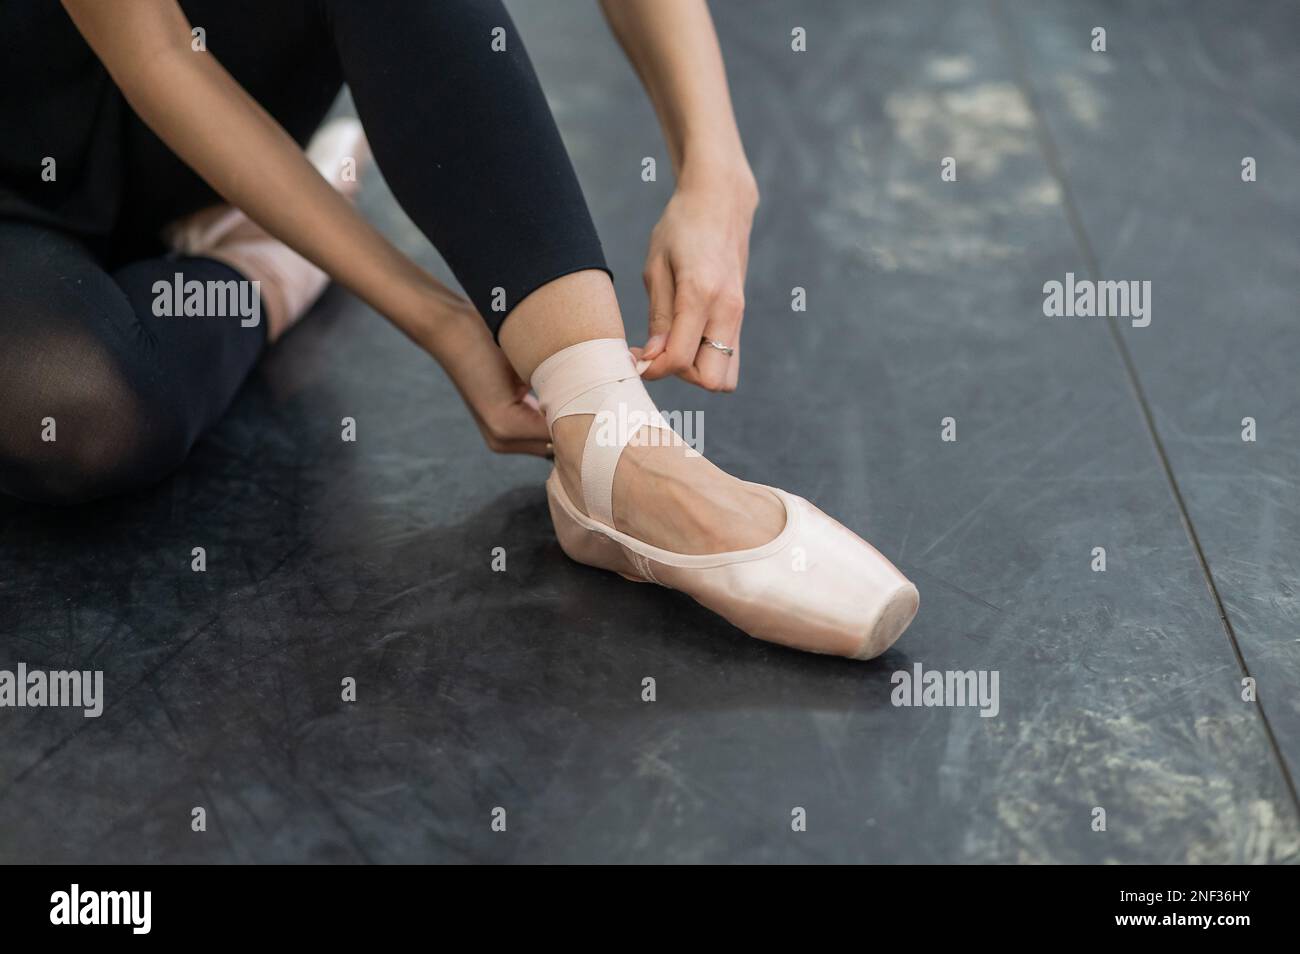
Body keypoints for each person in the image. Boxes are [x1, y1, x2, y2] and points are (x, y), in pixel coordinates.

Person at [0, 0, 917, 658]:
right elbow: (152, 52)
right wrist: (436, 315)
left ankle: (616, 447)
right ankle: (262, 265)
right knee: (71, 411)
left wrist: (715, 167)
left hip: (214, 66)